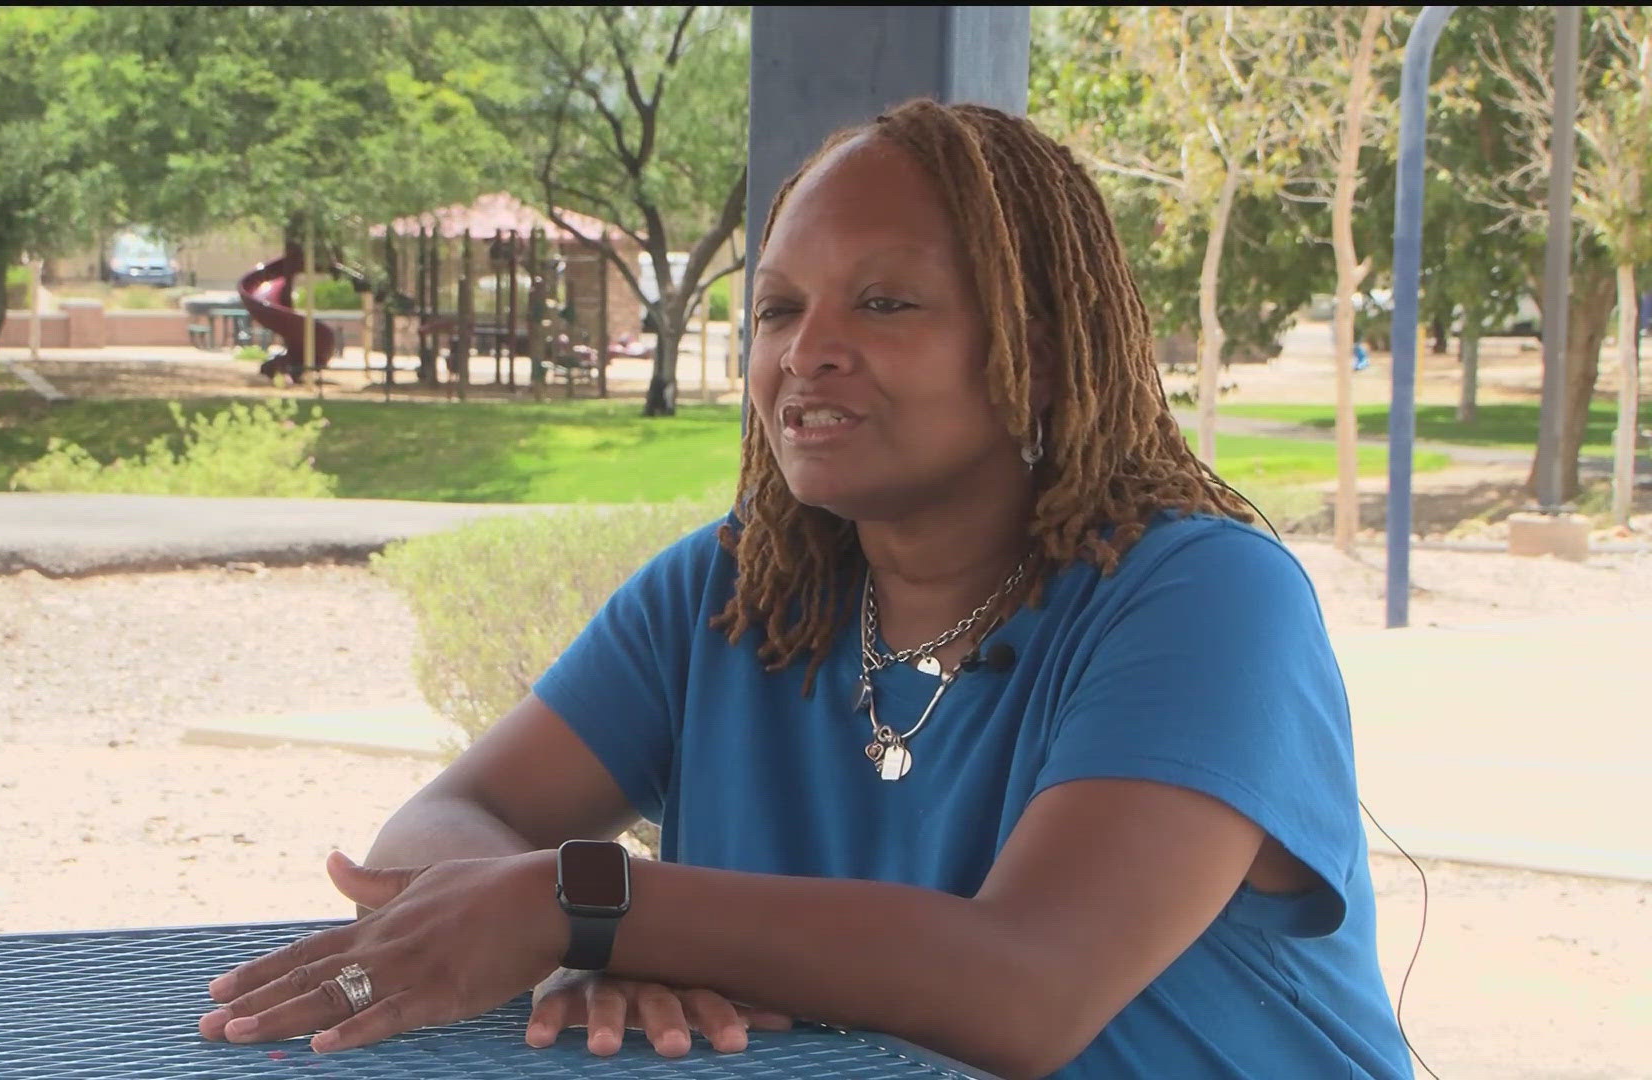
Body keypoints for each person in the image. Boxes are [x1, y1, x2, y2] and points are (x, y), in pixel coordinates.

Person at [195, 100, 1412, 1080]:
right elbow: (447, 824)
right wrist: (593, 946)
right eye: (777, 308)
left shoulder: (1203, 599)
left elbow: (1029, 988)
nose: (805, 351)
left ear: (1036, 353)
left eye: (884, 303)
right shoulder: (733, 591)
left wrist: (593, 903)